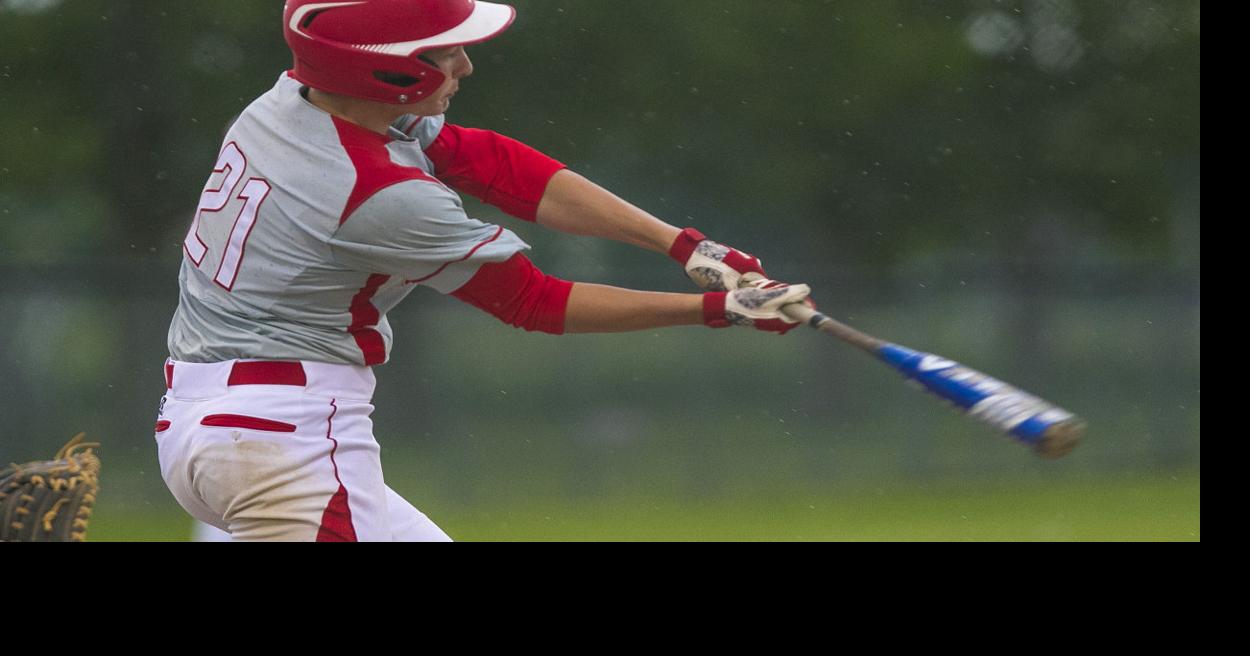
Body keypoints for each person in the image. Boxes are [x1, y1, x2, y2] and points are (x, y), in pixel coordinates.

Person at [155, 0, 813, 541]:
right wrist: (717, 311)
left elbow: (494, 166)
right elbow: (534, 301)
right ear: (389, 74)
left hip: (211, 421)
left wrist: (686, 247)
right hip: (287, 440)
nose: (464, 65)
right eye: (444, 53)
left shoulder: (291, 102)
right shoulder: (380, 195)